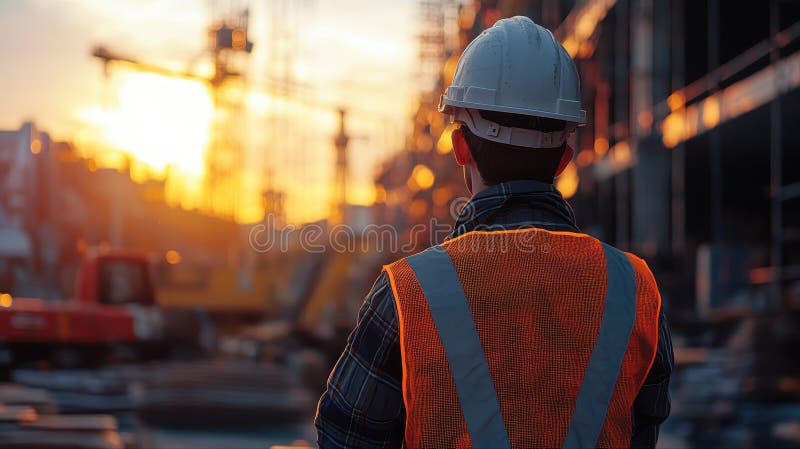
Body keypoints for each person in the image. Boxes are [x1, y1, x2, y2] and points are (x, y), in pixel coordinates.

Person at [316, 16, 672, 449]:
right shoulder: (634, 292)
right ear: (564, 158)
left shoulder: (409, 292)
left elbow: (344, 435)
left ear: (460, 146)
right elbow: (642, 429)